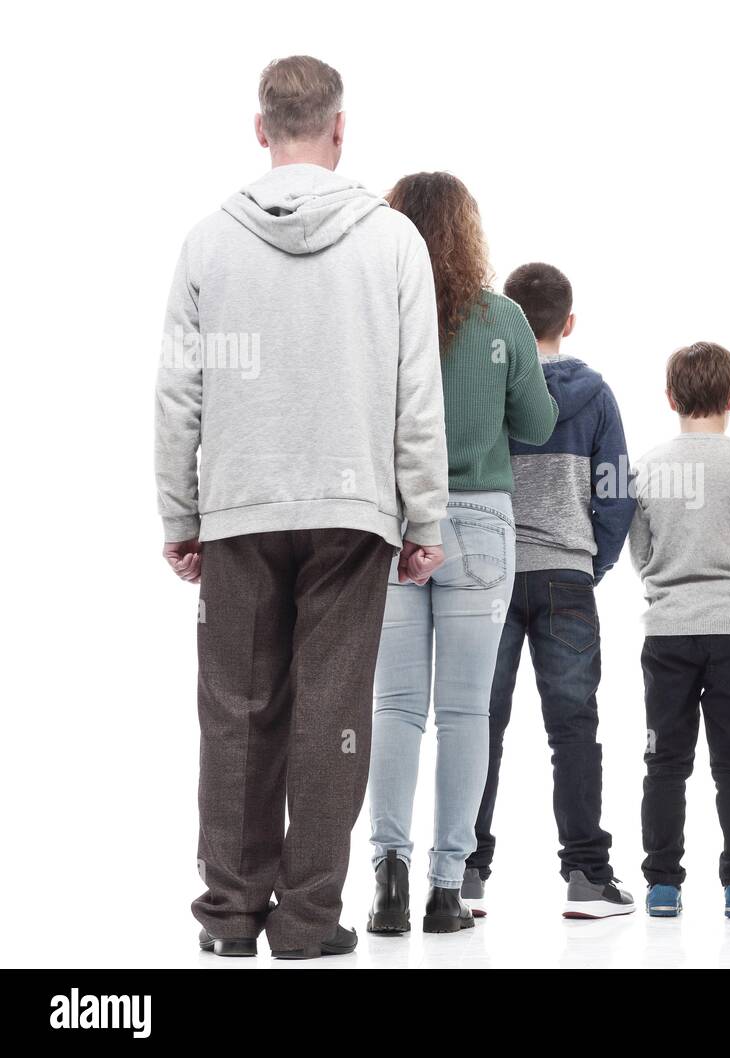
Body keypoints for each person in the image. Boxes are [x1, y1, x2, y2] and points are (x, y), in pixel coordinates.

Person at [155, 56, 447, 960]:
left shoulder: (208, 243)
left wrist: (180, 513)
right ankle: (310, 920)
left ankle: (230, 918)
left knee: (235, 710)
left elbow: (178, 393)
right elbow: (416, 392)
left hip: (241, 505)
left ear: (259, 130)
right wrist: (425, 514)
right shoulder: (395, 242)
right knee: (334, 709)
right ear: (339, 127)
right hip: (354, 508)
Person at [366, 177, 558, 935]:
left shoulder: (380, 312)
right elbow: (539, 423)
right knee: (465, 712)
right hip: (480, 525)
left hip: (391, 522)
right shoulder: (503, 317)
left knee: (394, 709)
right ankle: (448, 890)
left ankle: (387, 880)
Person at [465, 263, 638, 919]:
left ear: (505, 319)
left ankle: (465, 872)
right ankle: (587, 878)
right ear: (569, 323)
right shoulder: (595, 396)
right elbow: (618, 493)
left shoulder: (487, 387)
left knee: (477, 722)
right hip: (565, 575)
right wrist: (589, 563)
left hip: (489, 573)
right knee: (574, 727)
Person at [628, 342, 730, 919]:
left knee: (664, 762)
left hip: (668, 632)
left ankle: (663, 884)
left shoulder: (649, 467)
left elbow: (641, 553)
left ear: (670, 399)